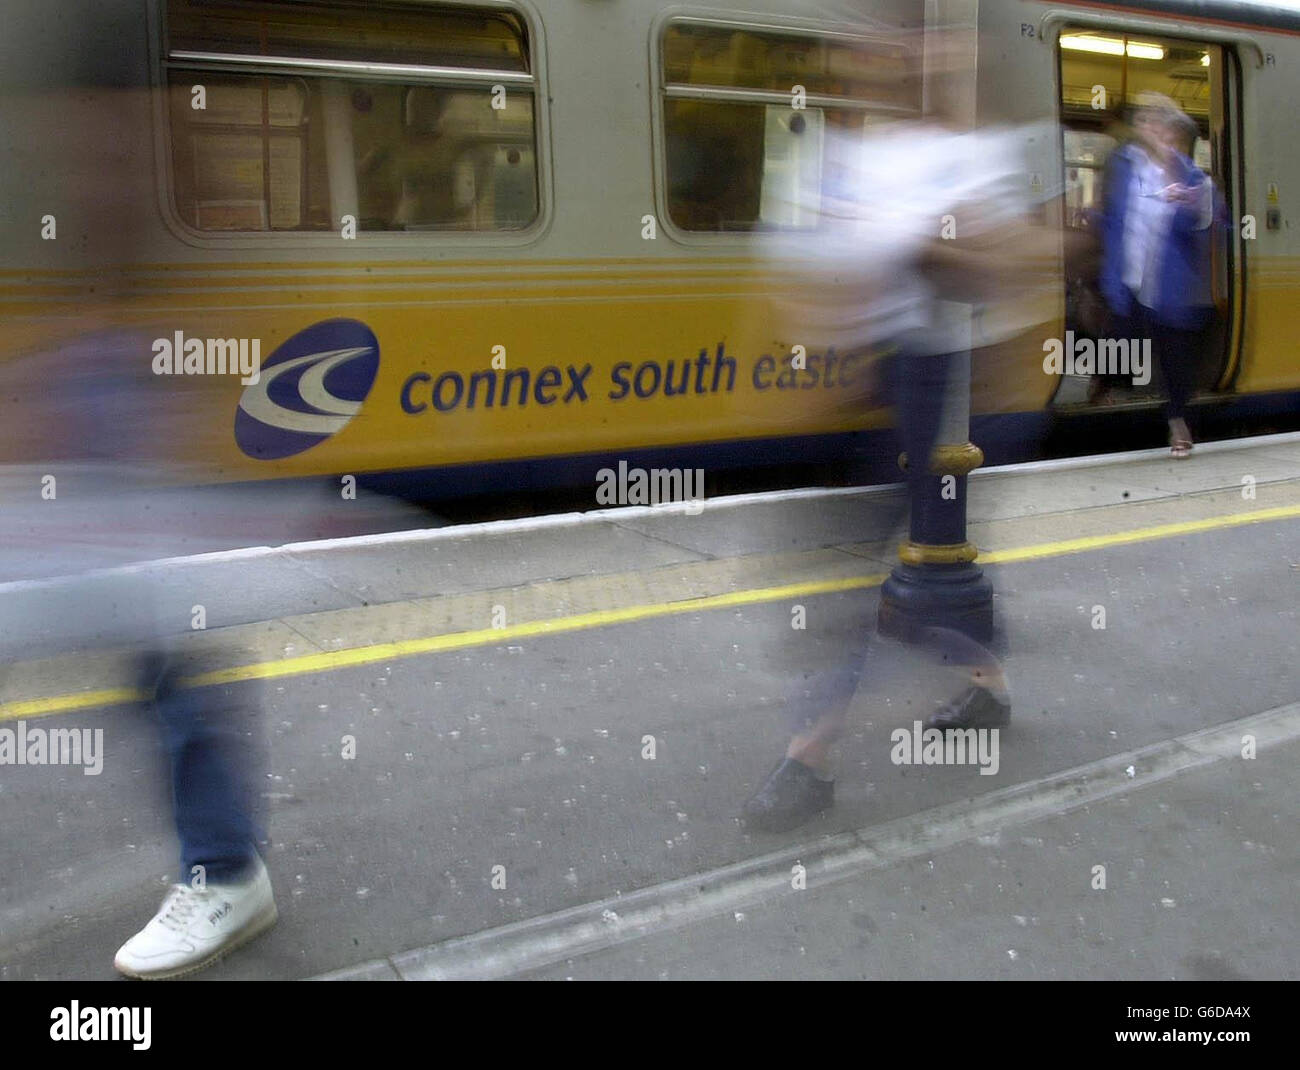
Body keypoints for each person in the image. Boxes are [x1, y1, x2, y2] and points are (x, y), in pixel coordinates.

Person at [740, 27, 1048, 833]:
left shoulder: (976, 155)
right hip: (881, 377)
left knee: (882, 573)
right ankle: (986, 690)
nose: (884, 69)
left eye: (909, 53)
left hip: (955, 387)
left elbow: (1005, 262)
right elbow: (811, 262)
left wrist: (922, 247)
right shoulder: (856, 157)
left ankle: (809, 759)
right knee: (882, 569)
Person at [1099, 94, 1216, 457]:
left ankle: (1177, 420)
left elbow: (1209, 221)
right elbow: (1111, 214)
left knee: (1175, 354)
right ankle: (1106, 395)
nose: (1149, 126)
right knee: (1116, 337)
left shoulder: (1188, 173)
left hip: (1169, 282)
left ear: (1170, 129)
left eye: (1157, 120)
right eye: (1143, 120)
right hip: (1127, 276)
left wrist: (1193, 203)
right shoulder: (1122, 163)